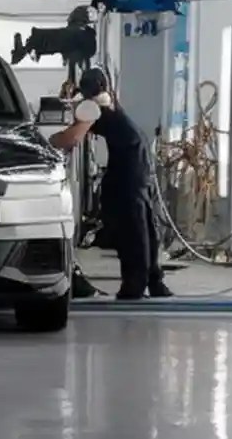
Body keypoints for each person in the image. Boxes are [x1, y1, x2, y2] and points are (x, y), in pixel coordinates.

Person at [50, 67, 173, 300]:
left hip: (128, 172)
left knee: (132, 231)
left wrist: (49, 141)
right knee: (145, 228)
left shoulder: (91, 106)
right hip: (139, 167)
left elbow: (73, 137)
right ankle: (156, 283)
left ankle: (134, 287)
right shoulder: (109, 102)